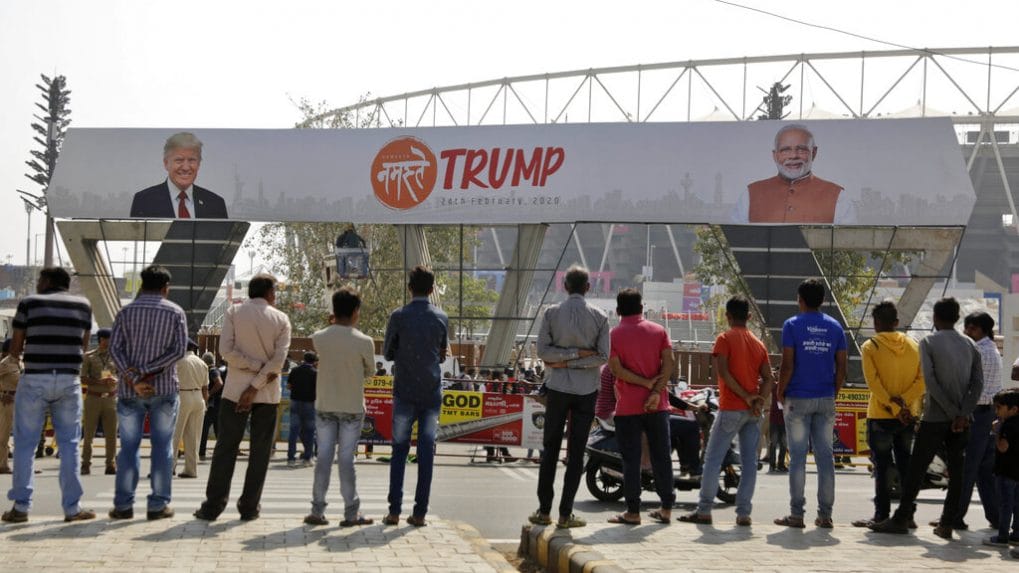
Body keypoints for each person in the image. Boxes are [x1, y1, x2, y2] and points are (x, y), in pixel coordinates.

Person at [871, 297, 983, 539]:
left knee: (916, 469)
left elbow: (930, 382)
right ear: (957, 317)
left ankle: (902, 517)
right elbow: (978, 383)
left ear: (935, 317)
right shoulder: (970, 345)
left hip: (935, 417)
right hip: (962, 421)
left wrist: (953, 412)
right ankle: (947, 523)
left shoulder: (929, 342)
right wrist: (963, 413)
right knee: (956, 472)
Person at [194, 273, 291, 521]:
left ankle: (212, 506)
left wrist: (250, 371)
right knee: (260, 453)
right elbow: (278, 362)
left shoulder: (234, 312)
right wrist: (259, 378)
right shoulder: (281, 319)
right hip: (267, 394)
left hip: (234, 391)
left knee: (226, 448)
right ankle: (249, 507)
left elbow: (225, 351)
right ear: (270, 293)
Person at [2, 267, 95, 524]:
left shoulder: (29, 303)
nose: (38, 283)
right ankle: (72, 508)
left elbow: (15, 346)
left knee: (25, 445)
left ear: (48, 281)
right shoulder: (83, 305)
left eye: (40, 279)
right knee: (69, 445)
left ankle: (20, 507)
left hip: (35, 379)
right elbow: (84, 345)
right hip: (69, 380)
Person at [680, 295, 773, 526]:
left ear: (728, 316)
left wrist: (746, 397)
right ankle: (743, 513)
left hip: (731, 408)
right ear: (749, 317)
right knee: (750, 463)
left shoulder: (724, 339)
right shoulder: (758, 344)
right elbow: (769, 379)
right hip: (752, 413)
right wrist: (758, 400)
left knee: (712, 459)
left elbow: (722, 372)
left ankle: (704, 510)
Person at [530, 264, 609, 529]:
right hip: (586, 391)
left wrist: (564, 361)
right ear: (588, 287)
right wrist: (578, 357)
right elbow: (603, 356)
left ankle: (544, 510)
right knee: (576, 453)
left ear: (565, 286)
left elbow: (544, 352)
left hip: (557, 388)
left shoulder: (551, 313)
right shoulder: (600, 317)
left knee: (550, 449)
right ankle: (566, 514)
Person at [107, 265, 188, 520]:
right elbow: (179, 351)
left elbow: (114, 350)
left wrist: (134, 377)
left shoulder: (125, 312)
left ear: (142, 285)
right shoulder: (176, 312)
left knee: (128, 448)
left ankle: (123, 506)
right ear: (166, 288)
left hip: (130, 392)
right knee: (162, 447)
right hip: (163, 389)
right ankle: (157, 505)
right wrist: (149, 370)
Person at [774, 278, 847, 529]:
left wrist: (780, 391)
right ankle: (825, 515)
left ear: (800, 299)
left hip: (797, 398)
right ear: (823, 300)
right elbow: (842, 368)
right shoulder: (836, 327)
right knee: (825, 458)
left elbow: (788, 364)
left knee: (797, 458)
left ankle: (796, 514)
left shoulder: (792, 325)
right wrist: (832, 393)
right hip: (825, 398)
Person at [382, 266, 449, 527]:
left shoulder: (398, 316)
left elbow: (388, 353)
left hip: (404, 391)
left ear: (410, 288)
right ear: (432, 289)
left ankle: (394, 512)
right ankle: (419, 513)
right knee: (426, 452)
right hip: (432, 393)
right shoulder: (441, 317)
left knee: (399, 451)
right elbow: (442, 352)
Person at [303, 286, 375, 527]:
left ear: (334, 309)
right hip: (352, 407)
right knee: (346, 461)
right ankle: (351, 513)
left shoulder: (319, 338)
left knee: (323, 458)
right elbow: (370, 372)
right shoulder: (364, 341)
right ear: (356, 311)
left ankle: (317, 509)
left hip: (325, 405)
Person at [850, 300, 924, 529]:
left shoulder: (871, 346)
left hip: (881, 416)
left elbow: (874, 384)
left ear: (876, 323)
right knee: (905, 466)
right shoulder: (914, 345)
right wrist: (904, 407)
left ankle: (881, 514)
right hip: (908, 416)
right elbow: (922, 382)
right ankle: (907, 515)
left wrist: (893, 407)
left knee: (882, 468)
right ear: (897, 322)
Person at [606, 288, 675, 525]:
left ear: (617, 310)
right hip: (658, 406)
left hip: (628, 407)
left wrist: (642, 382)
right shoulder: (659, 331)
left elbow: (616, 369)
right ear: (642, 307)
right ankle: (666, 508)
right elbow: (669, 364)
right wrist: (655, 390)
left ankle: (633, 512)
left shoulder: (614, 335)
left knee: (631, 460)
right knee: (661, 457)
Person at [947, 311, 1002, 530]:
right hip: (988, 414)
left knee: (967, 467)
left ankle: (955, 517)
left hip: (977, 414)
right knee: (984, 471)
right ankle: (997, 517)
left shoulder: (978, 350)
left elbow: (968, 385)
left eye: (972, 328)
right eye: (967, 327)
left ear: (983, 331)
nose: (967, 332)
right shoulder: (991, 349)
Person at [734, 124, 852, 224]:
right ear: (775, 155)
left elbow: (847, 246)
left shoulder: (838, 197)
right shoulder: (750, 194)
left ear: (814, 153)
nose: (793, 156)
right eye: (785, 150)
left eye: (801, 149)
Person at [130, 131, 228, 219]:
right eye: (179, 160)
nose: (186, 167)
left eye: (192, 160)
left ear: (198, 164)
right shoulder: (144, 201)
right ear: (166, 163)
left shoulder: (216, 203)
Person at [80, 328, 119, 476]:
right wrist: (98, 381)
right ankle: (85, 463)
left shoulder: (116, 357)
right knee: (89, 432)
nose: (109, 342)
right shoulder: (89, 357)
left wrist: (115, 380)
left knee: (112, 434)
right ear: (101, 339)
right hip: (94, 397)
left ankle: (110, 463)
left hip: (111, 398)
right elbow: (83, 378)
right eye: (107, 339)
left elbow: (123, 374)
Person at [985, 389, 1019, 548]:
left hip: (1006, 472)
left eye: (999, 407)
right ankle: (1017, 535)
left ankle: (1002, 536)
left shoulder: (1007, 425)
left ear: (1013, 409)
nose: (996, 411)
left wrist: (996, 432)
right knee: (1017, 504)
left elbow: (1003, 447)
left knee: (1005, 504)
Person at [172, 340, 210, 479]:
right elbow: (206, 388)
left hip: (183, 395)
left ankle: (170, 467)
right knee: (194, 437)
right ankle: (191, 469)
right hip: (198, 397)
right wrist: (204, 403)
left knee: (175, 434)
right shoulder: (202, 363)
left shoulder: (178, 361)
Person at [287, 351, 318, 468]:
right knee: (310, 432)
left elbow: (289, 386)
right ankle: (307, 458)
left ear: (304, 359)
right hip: (310, 403)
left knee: (293, 431)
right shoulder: (315, 373)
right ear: (315, 361)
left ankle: (290, 458)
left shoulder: (295, 370)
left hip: (295, 402)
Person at [0, 339, 23, 475]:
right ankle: (2, 465)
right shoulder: (4, 364)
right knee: (4, 435)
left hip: (21, 401)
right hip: (7, 402)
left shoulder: (20, 362)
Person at [198, 353, 223, 461]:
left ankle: (201, 451)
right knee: (218, 430)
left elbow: (219, 383)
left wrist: (209, 393)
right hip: (217, 405)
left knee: (204, 428)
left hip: (213, 405)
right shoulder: (212, 370)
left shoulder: (212, 370)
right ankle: (221, 453)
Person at [766, 392, 787, 473]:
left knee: (784, 444)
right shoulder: (774, 386)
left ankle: (781, 464)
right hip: (774, 419)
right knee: (773, 443)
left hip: (784, 420)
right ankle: (772, 465)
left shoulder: (786, 387)